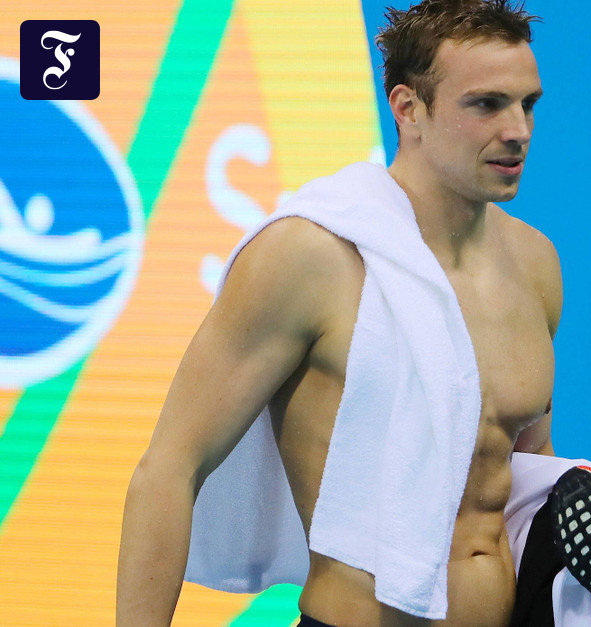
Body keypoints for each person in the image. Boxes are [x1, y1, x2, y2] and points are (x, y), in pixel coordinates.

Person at [116, 2, 558, 625]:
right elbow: (168, 469)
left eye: (527, 104)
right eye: (487, 104)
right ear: (409, 109)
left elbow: (525, 476)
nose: (517, 130)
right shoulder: (309, 257)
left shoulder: (535, 266)